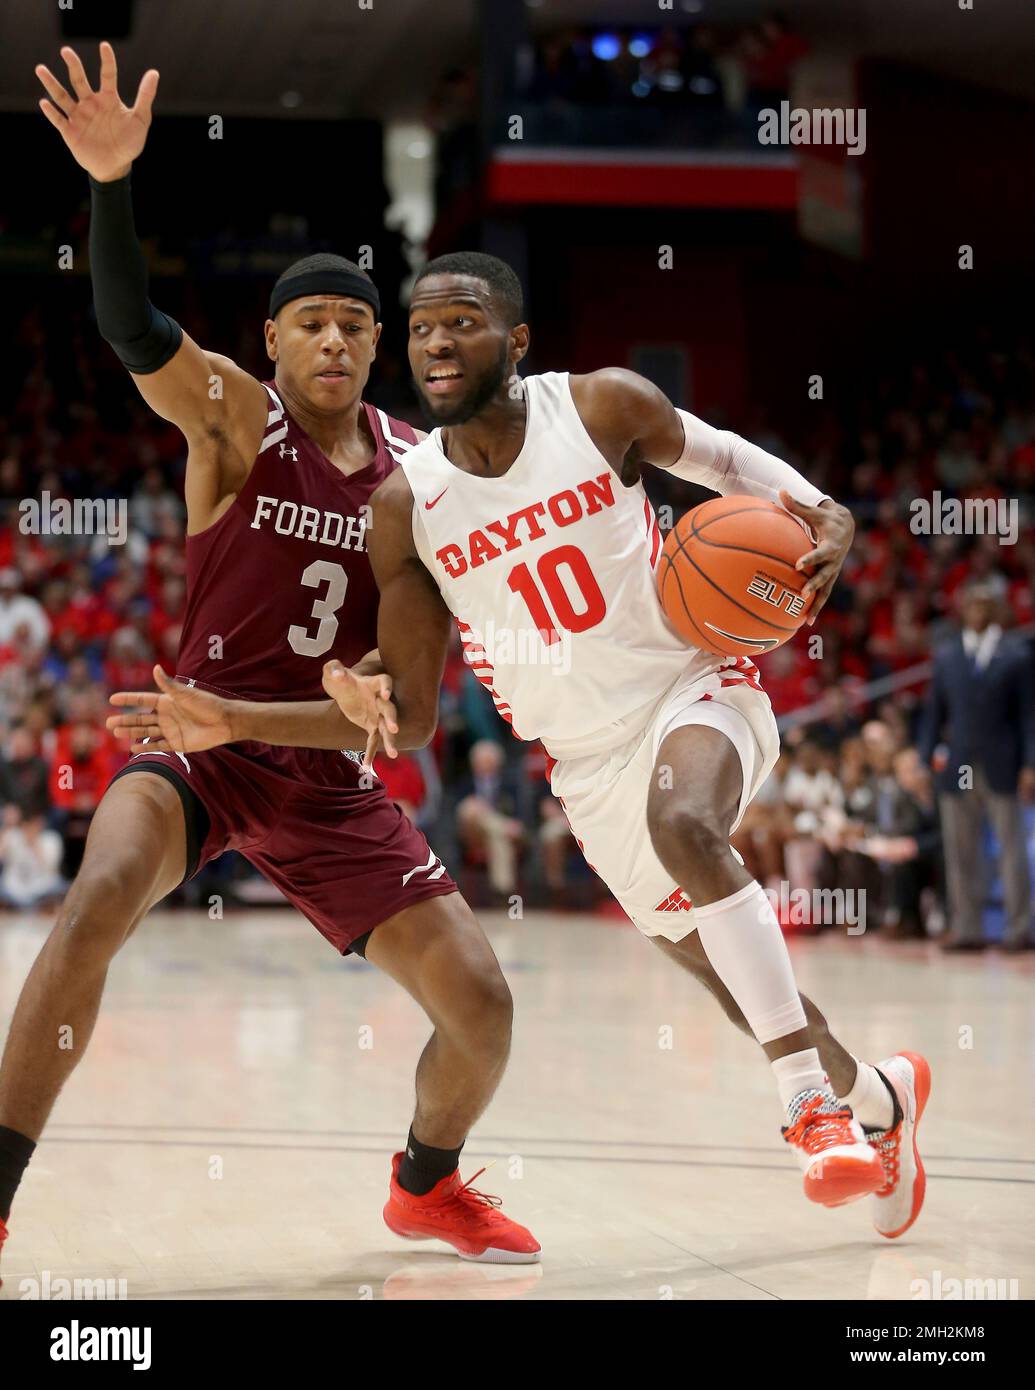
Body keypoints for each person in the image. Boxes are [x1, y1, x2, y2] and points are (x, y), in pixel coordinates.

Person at [113, 253, 931, 1240]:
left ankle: (809, 1108)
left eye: (461, 322)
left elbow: (720, 461)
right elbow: (409, 712)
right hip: (585, 767)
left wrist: (818, 507)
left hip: (691, 685)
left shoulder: (599, 408)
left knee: (686, 823)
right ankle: (882, 1102)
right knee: (733, 979)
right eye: (420, 329)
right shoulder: (405, 505)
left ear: (515, 340)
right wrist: (361, 679)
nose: (437, 343)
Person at [0, 44, 539, 1286]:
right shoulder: (239, 416)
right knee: (96, 900)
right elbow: (130, 320)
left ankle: (426, 1186)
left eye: (358, 322)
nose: (340, 339)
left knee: (484, 1006)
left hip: (307, 766)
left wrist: (369, 694)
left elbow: (405, 720)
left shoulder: (420, 477)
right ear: (275, 340)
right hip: (194, 752)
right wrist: (111, 188)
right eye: (315, 323)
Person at [918, 578, 1035, 951]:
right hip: (958, 766)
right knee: (960, 850)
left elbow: (1029, 717)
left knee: (1010, 848)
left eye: (987, 603)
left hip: (1003, 764)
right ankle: (967, 929)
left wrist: (1030, 764)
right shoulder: (948, 656)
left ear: (999, 608)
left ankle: (1019, 929)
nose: (980, 610)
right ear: (963, 608)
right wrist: (924, 760)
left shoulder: (1017, 654)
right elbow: (934, 714)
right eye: (974, 603)